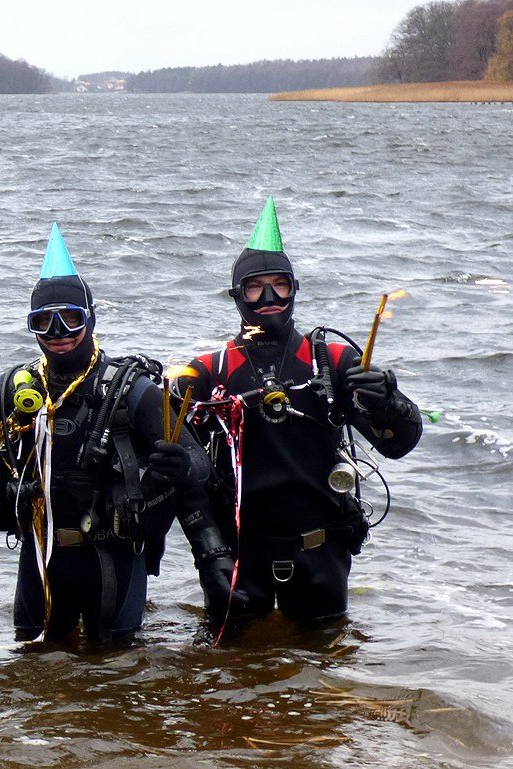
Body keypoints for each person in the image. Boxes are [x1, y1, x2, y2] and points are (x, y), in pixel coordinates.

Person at [0, 224, 231, 645]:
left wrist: (178, 465)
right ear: (32, 327)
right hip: (40, 556)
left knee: (116, 669)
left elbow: (200, 466)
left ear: (90, 318)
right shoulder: (16, 386)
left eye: (71, 318)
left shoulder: (131, 390)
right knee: (32, 665)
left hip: (113, 557)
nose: (58, 332)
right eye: (44, 321)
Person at [176, 198, 421, 631]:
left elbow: (399, 443)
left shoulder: (333, 360)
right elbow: (172, 462)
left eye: (280, 285)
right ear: (237, 295)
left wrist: (389, 401)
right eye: (255, 287)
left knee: (326, 672)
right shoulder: (209, 370)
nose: (269, 297)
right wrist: (208, 550)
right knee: (229, 680)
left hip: (320, 551)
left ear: (295, 289)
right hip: (240, 554)